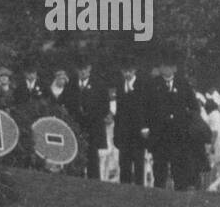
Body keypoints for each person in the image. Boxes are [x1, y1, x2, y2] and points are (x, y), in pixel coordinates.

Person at [143, 51, 201, 191]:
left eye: (169, 66)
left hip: (178, 133)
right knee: (159, 166)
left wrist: (186, 122)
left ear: (174, 68)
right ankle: (159, 192)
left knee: (179, 165)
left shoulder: (183, 84)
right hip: (159, 133)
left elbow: (194, 107)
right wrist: (145, 126)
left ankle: (180, 191)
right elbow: (145, 107)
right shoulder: (153, 84)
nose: (165, 69)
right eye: (163, 66)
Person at [63, 59, 111, 179]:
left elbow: (105, 107)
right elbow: (64, 102)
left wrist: (92, 116)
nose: (83, 72)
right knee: (76, 155)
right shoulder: (71, 84)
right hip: (76, 126)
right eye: (80, 69)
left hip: (93, 128)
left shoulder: (99, 84)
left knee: (92, 159)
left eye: (85, 69)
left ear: (89, 68)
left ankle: (94, 182)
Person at [113, 57, 148, 185]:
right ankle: (124, 189)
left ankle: (139, 190)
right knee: (124, 165)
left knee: (138, 164)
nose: (127, 74)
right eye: (124, 71)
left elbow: (146, 108)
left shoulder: (142, 85)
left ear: (134, 70)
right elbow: (118, 111)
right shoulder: (120, 86)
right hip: (124, 132)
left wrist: (145, 127)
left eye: (130, 71)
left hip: (138, 132)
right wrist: (117, 133)